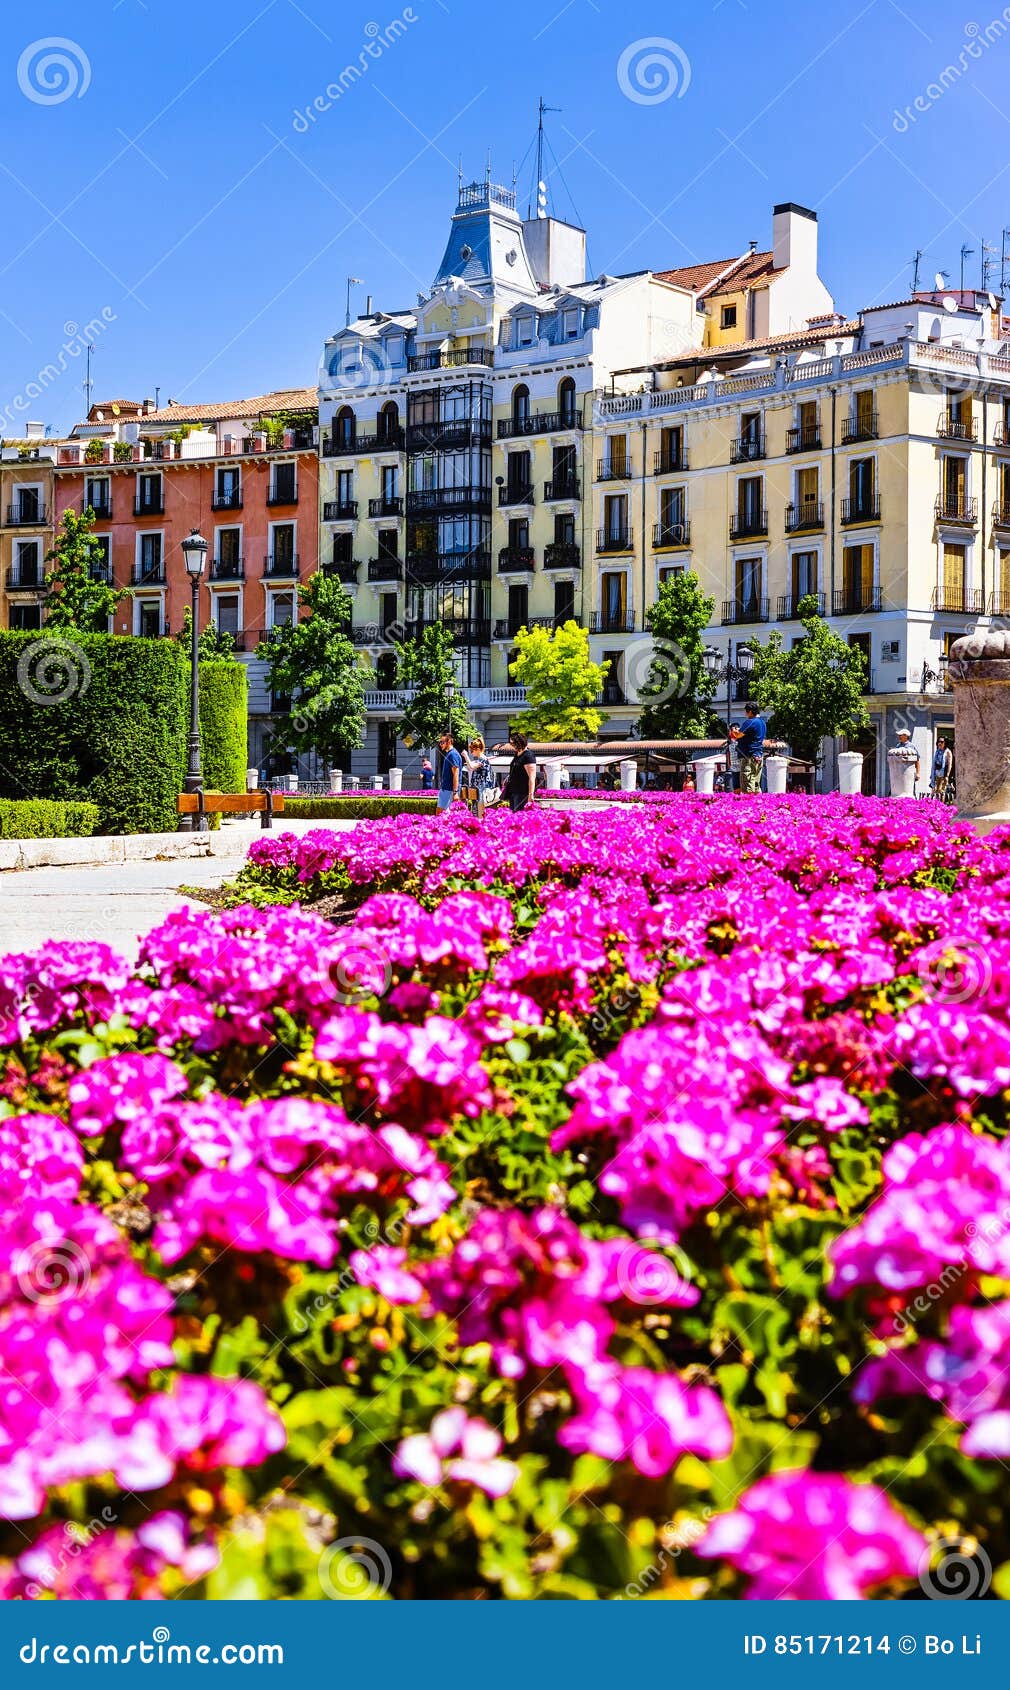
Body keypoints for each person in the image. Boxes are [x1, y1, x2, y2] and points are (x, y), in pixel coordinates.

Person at [492, 730, 537, 812]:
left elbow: (532, 777)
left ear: (520, 742)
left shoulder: (528, 755)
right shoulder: (517, 754)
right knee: (513, 814)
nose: (512, 745)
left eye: (513, 743)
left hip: (523, 792)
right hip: (514, 790)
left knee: (519, 814)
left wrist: (531, 794)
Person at [730, 703, 767, 794]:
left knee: (747, 786)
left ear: (750, 711)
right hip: (758, 755)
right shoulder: (763, 723)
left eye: (746, 711)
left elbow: (738, 735)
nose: (745, 714)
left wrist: (733, 731)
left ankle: (749, 805)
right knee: (755, 785)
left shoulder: (750, 721)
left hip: (748, 757)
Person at [461, 734, 495, 816]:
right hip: (478, 791)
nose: (471, 753)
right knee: (476, 814)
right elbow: (469, 767)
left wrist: (466, 756)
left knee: (480, 816)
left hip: (482, 791)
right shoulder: (480, 759)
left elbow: (471, 767)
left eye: (472, 750)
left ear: (478, 749)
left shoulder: (483, 759)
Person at [435, 731, 462, 814]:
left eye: (442, 742)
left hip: (449, 790)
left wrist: (455, 792)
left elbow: (456, 773)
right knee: (439, 813)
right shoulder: (449, 754)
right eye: (440, 742)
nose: (440, 744)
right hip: (446, 789)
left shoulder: (453, 754)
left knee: (443, 815)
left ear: (449, 741)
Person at [931, 735, 953, 800]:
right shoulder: (937, 751)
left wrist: (947, 775)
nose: (939, 743)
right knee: (935, 791)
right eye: (938, 742)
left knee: (941, 791)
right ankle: (935, 805)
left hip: (943, 774)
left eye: (942, 742)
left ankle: (940, 806)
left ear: (945, 743)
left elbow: (949, 764)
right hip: (936, 773)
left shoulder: (948, 752)